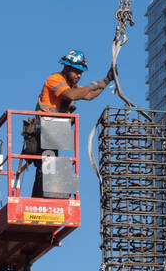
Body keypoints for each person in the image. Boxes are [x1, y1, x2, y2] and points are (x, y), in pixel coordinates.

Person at [25, 51, 112, 196]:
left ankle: (51, 196)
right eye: (77, 71)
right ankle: (47, 198)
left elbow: (89, 96)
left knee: (49, 166)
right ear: (67, 68)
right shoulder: (55, 79)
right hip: (43, 129)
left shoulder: (69, 85)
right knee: (47, 165)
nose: (79, 75)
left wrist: (107, 80)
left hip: (53, 131)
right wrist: (91, 86)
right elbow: (71, 95)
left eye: (81, 72)